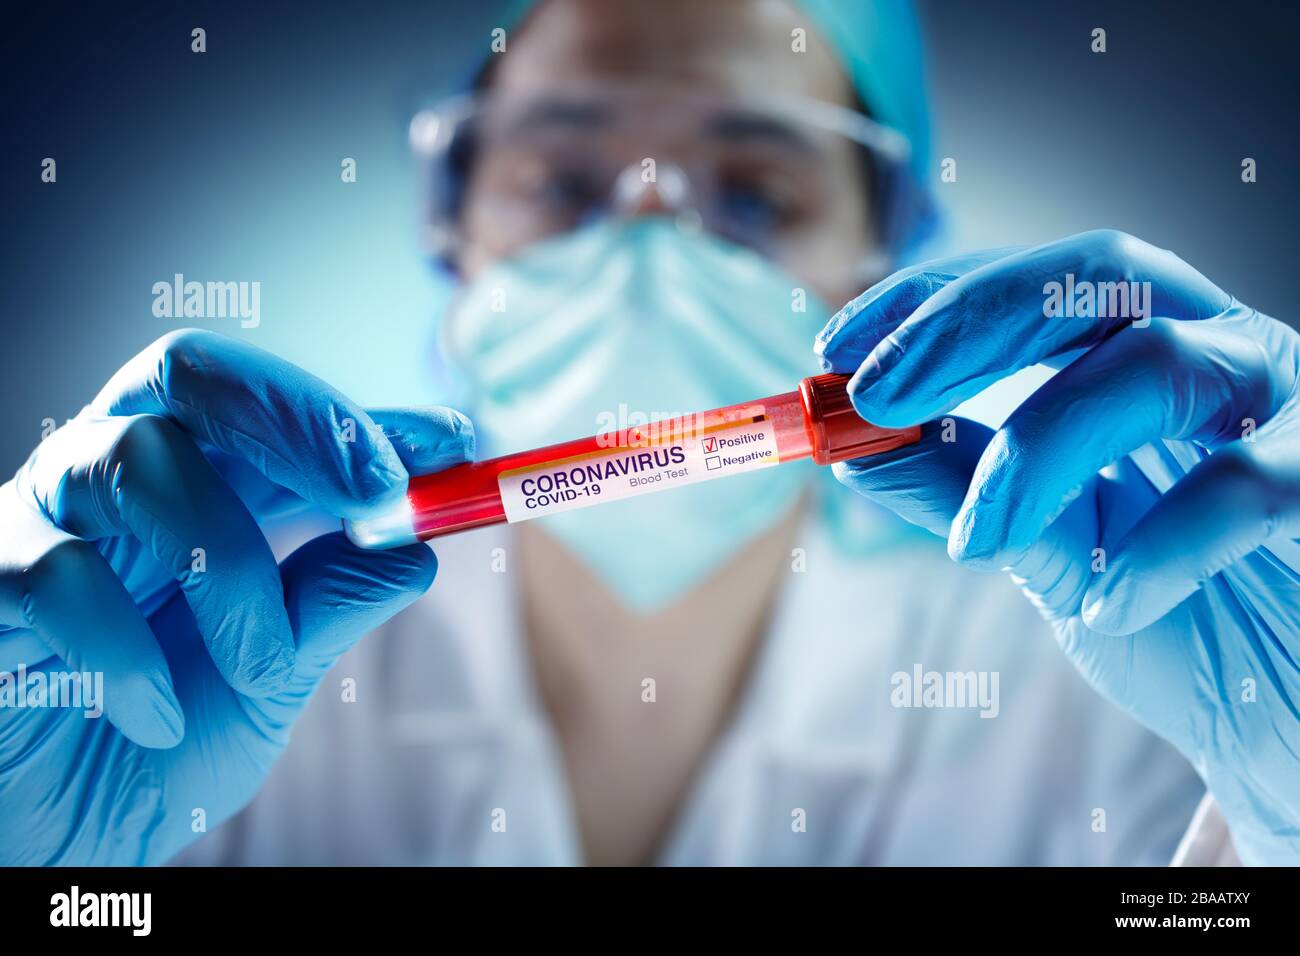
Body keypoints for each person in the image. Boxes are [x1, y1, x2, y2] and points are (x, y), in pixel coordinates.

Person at [1, 0, 1296, 866]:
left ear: (878, 273)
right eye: (562, 181)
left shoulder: (1116, 688)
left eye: (754, 190)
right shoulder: (208, 660)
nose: (649, 248)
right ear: (452, 241)